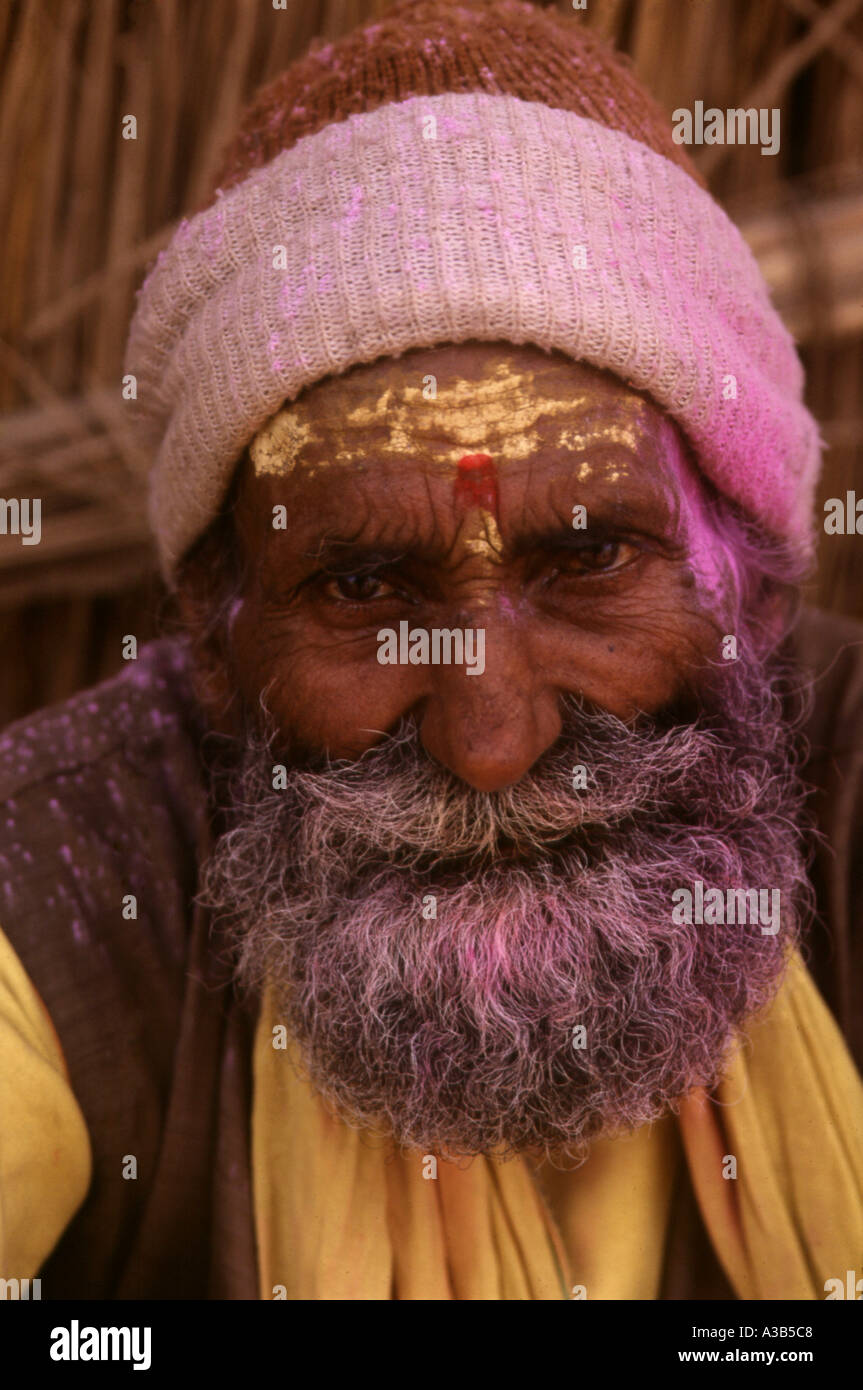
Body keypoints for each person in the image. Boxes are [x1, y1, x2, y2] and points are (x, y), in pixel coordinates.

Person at [1, 0, 861, 1301]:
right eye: (360, 581)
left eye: (588, 560)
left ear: (755, 589)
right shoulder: (66, 874)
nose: (489, 734)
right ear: (218, 643)